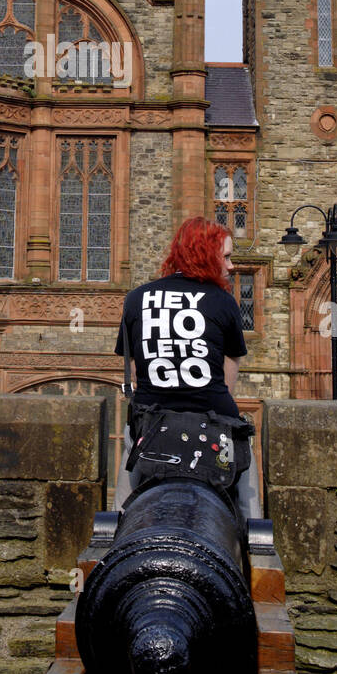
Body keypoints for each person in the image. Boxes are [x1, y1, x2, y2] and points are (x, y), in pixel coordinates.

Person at [114, 216, 248, 509]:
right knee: (246, 494)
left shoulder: (136, 299)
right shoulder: (224, 302)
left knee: (125, 485)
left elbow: (136, 371)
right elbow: (228, 378)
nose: (231, 266)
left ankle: (111, 534)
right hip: (213, 424)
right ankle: (257, 549)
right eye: (225, 257)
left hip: (150, 424)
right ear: (205, 254)